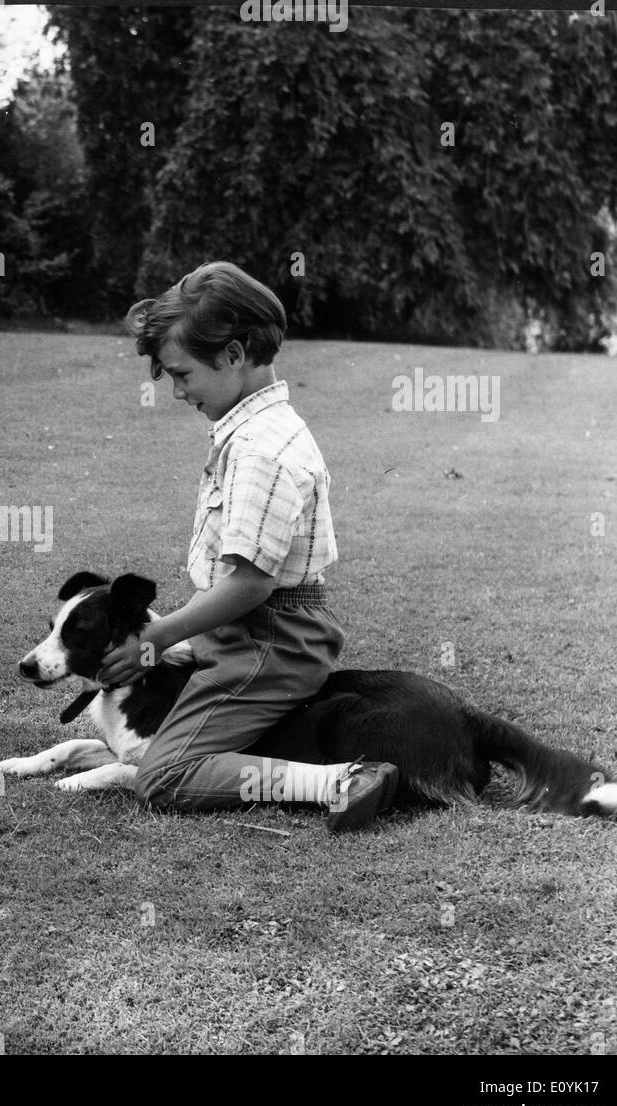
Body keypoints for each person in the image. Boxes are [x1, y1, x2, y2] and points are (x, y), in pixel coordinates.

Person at [99, 262, 397, 831]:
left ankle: (340, 779)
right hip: (247, 629)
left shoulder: (260, 449)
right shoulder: (257, 429)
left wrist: (162, 635)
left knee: (163, 775)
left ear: (234, 355)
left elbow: (250, 582)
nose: (178, 391)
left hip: (268, 637)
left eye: (182, 374)